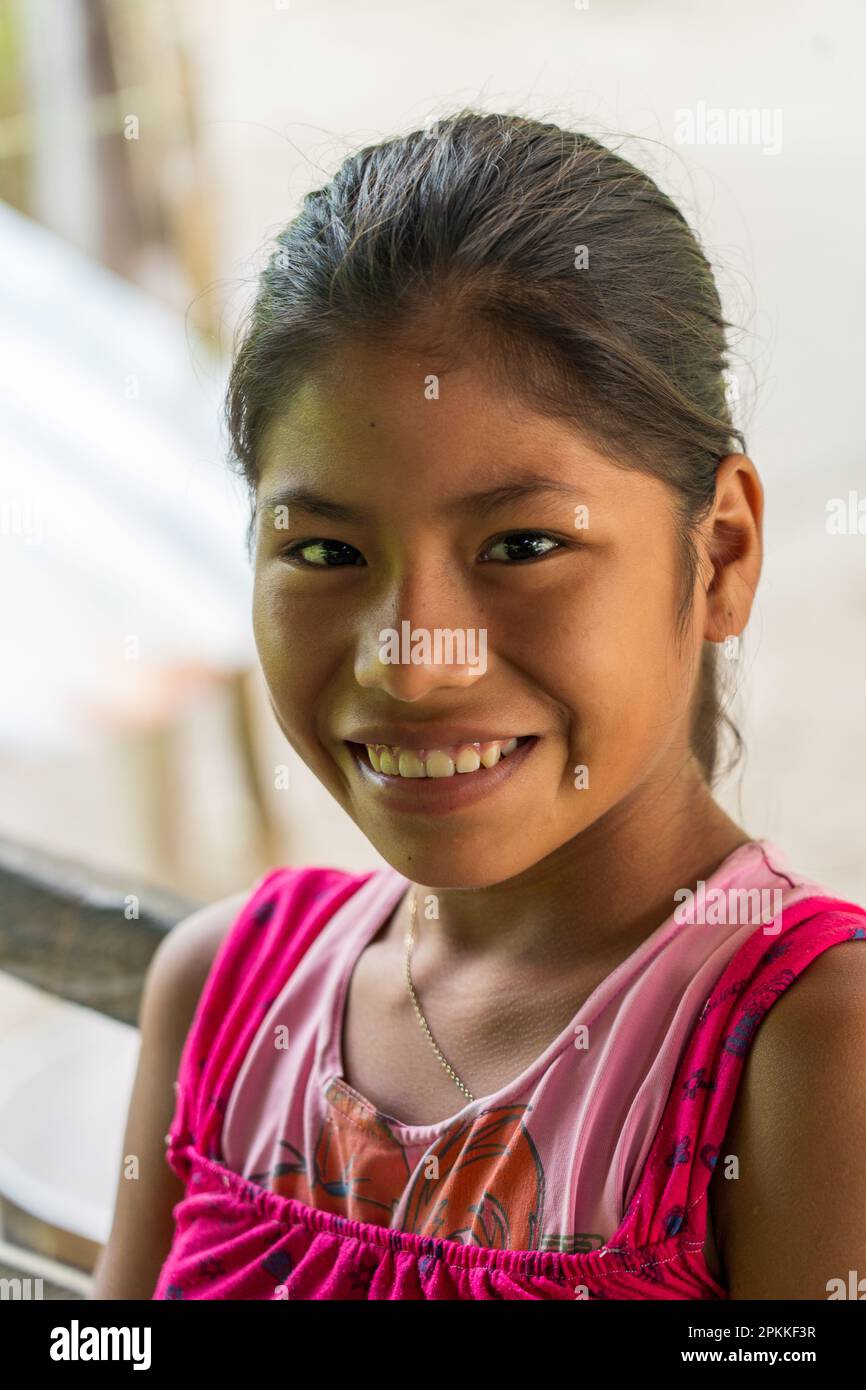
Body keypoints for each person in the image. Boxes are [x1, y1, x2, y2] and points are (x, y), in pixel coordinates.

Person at [91, 110, 866, 1301]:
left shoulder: (806, 1047)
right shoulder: (224, 992)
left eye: (519, 542)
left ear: (716, 554)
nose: (412, 661)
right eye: (326, 553)